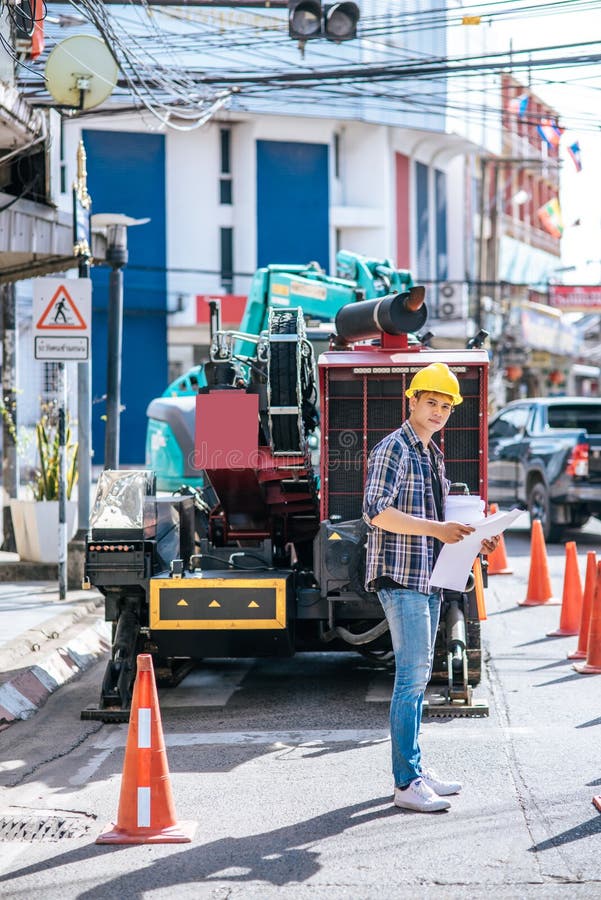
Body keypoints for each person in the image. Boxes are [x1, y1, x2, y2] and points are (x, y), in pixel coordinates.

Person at [362, 362, 499, 813]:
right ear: (413, 400)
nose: (439, 411)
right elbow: (376, 513)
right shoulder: (394, 449)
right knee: (411, 679)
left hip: (429, 577)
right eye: (432, 402)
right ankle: (406, 783)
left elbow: (448, 520)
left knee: (418, 680)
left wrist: (480, 536)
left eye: (446, 405)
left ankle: (415, 769)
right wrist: (437, 530)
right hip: (401, 577)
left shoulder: (431, 454)